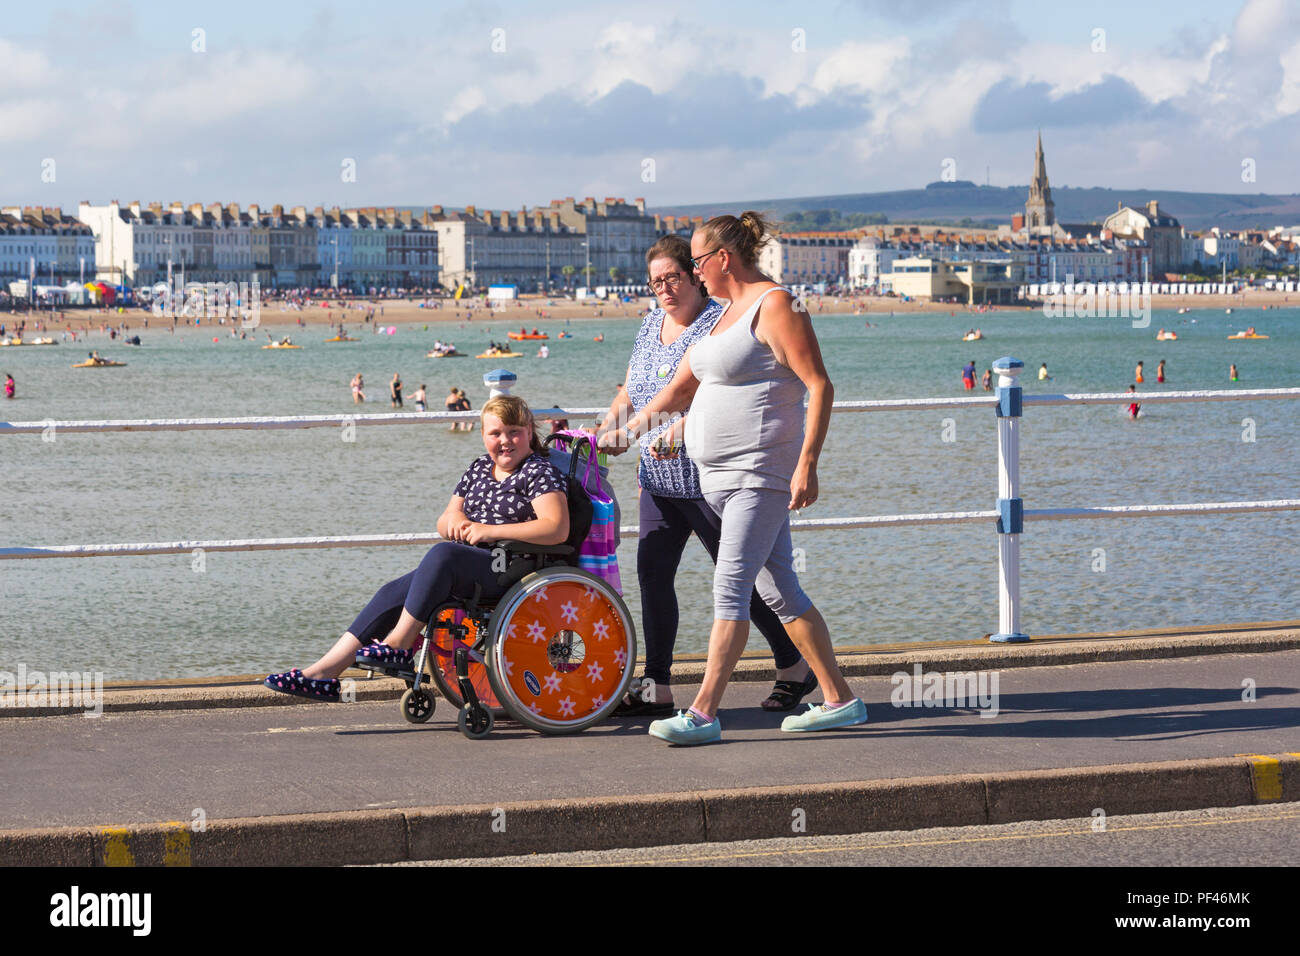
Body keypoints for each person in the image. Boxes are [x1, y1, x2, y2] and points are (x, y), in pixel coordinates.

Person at [599, 211, 864, 744]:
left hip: (759, 473)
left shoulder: (778, 305)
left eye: (696, 260)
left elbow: (819, 385)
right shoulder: (721, 314)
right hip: (715, 477)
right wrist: (627, 432)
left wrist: (808, 462)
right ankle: (840, 699)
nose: (694, 271)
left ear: (723, 258)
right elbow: (678, 392)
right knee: (780, 590)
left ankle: (701, 714)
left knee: (729, 588)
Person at [264, 396, 569, 701]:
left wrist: (489, 530)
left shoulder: (538, 472)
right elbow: (446, 518)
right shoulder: (479, 468)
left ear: (529, 431)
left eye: (514, 431)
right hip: (473, 562)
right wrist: (456, 521)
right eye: (496, 433)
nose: (505, 441)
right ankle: (324, 673)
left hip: (513, 565)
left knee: (442, 555)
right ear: (483, 436)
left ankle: (398, 645)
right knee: (392, 592)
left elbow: (556, 527)